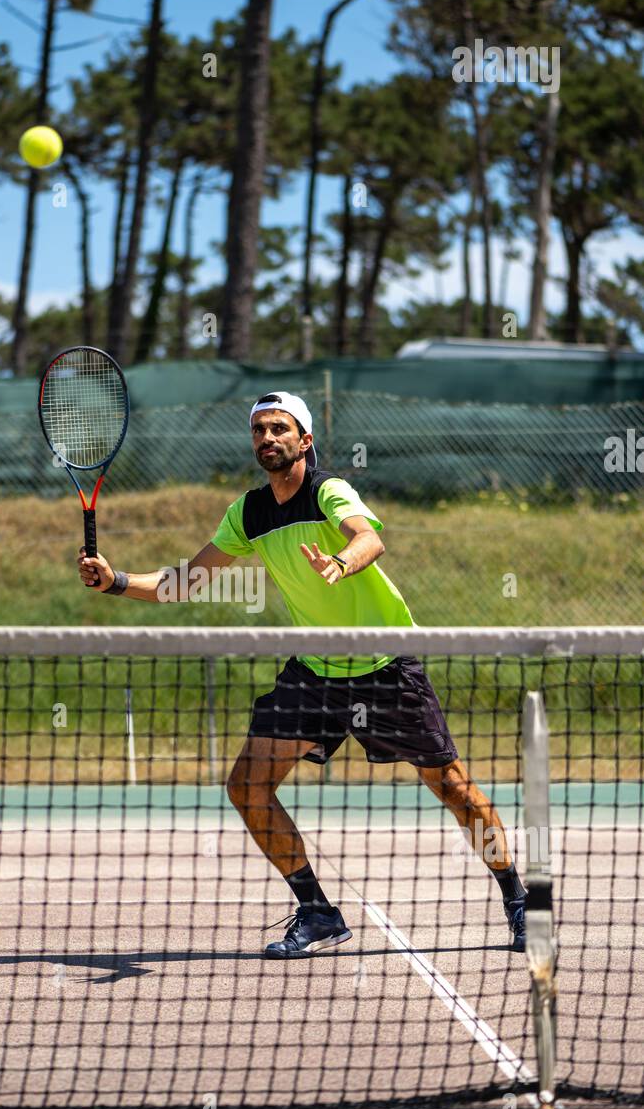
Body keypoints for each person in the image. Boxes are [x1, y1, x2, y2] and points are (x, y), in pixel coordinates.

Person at [77, 391, 527, 957]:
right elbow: (188, 580)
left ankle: (520, 901)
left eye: (279, 429)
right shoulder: (248, 512)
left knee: (454, 788)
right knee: (247, 785)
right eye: (259, 430)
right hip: (315, 671)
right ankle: (317, 912)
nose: (267, 438)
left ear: (305, 441)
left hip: (384, 664)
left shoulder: (330, 492)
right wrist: (117, 580)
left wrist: (340, 562)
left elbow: (369, 537)